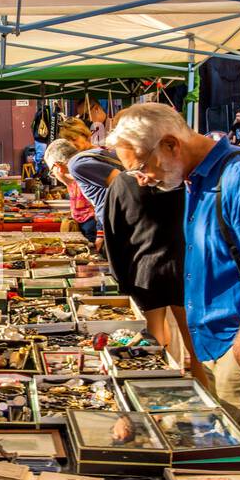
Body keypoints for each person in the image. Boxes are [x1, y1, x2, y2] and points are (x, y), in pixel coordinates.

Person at [109, 103, 240, 471]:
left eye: (140, 167)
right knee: (221, 457)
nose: (140, 179)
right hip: (218, 345)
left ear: (170, 144)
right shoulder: (196, 181)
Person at [45, 135, 202, 374]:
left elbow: (117, 203)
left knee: (156, 327)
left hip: (146, 262)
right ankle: (186, 375)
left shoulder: (95, 171)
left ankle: (165, 375)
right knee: (188, 333)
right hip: (174, 255)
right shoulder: (174, 177)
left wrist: (118, 269)